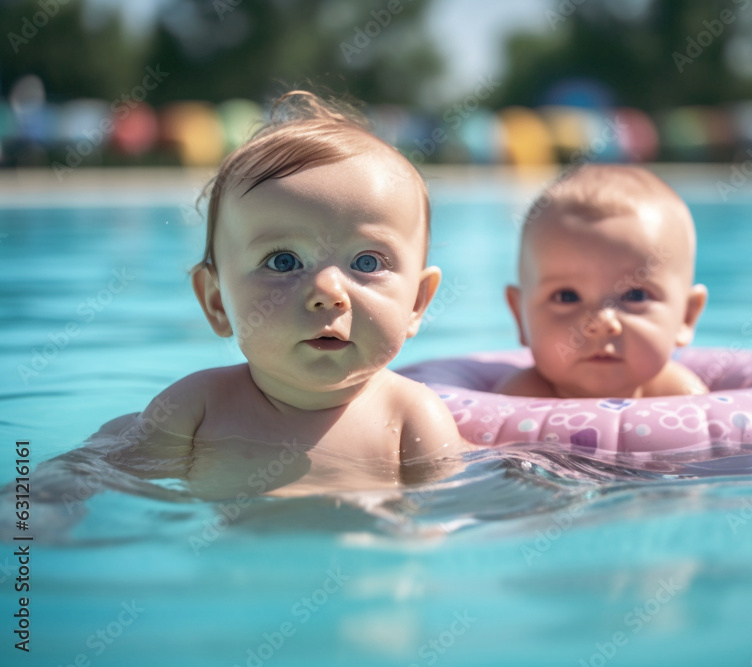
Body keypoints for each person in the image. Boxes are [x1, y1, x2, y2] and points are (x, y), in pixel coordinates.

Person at [89, 90, 469, 497]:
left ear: (417, 302)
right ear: (216, 302)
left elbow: (454, 515)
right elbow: (89, 481)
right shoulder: (194, 410)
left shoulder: (413, 419)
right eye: (283, 261)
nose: (328, 293)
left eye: (367, 262)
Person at [497, 164, 709, 399]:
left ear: (686, 317)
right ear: (519, 315)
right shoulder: (517, 399)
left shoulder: (683, 396)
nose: (600, 323)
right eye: (567, 297)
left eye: (635, 295)